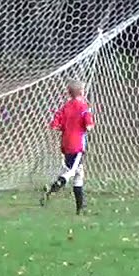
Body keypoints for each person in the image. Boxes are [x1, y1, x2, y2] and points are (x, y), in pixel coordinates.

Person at [41, 81, 95, 213]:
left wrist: (66, 127)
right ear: (82, 92)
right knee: (71, 171)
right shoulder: (84, 107)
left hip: (66, 144)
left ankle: (80, 207)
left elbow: (54, 125)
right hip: (77, 146)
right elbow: (89, 126)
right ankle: (54, 187)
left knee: (79, 173)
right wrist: (89, 124)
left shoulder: (65, 107)